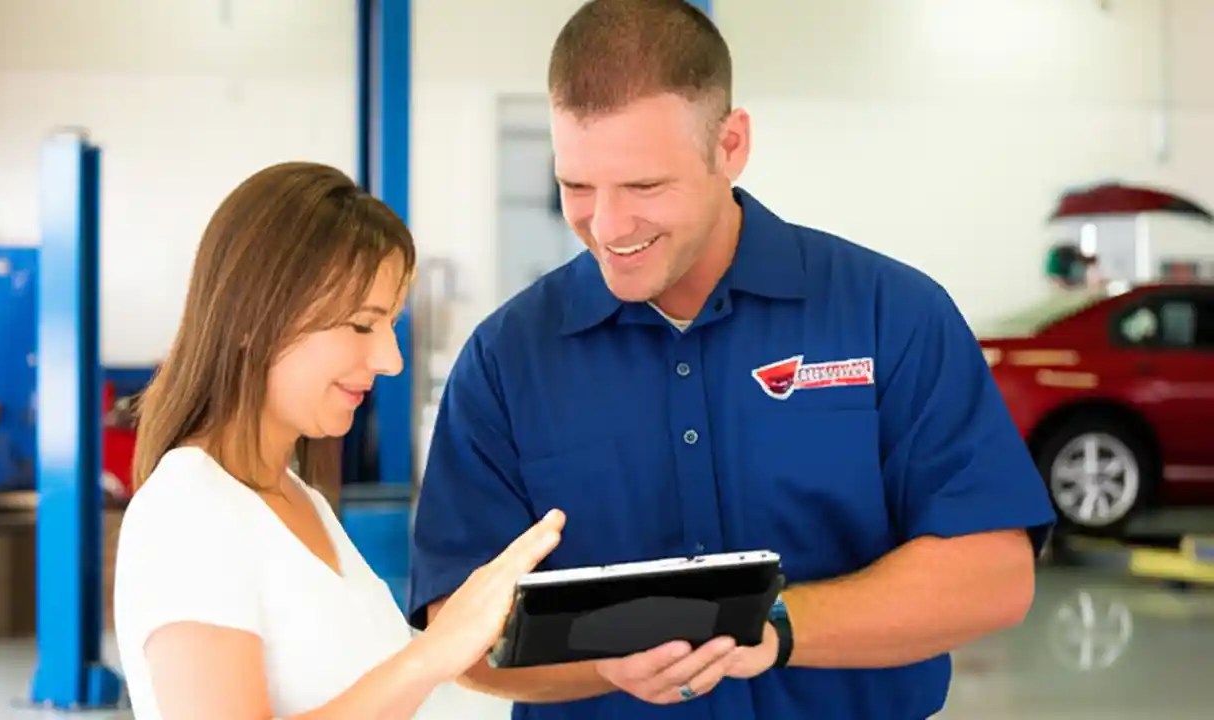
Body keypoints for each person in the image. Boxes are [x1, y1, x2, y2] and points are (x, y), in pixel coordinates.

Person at [406, 1, 1057, 718]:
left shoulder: (889, 315)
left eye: (645, 187)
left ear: (731, 144)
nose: (608, 225)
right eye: (577, 186)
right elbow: (457, 633)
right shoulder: (506, 362)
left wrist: (776, 626)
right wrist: (610, 666)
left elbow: (994, 573)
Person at [113, 161, 567, 720]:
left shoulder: (299, 503)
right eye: (360, 325)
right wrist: (430, 654)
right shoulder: (189, 508)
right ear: (254, 317)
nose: (390, 360)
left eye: (391, 326)